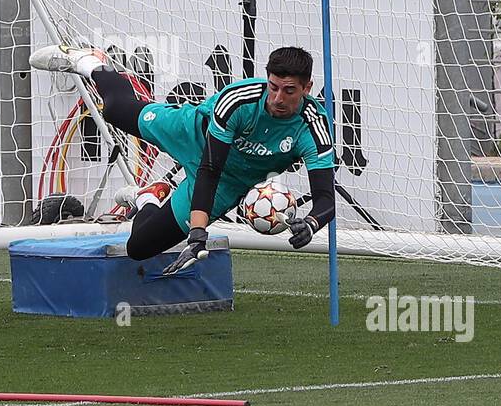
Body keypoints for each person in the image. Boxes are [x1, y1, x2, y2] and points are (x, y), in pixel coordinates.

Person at [30, 43, 336, 275]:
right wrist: (198, 234)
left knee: (139, 247)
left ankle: (147, 198)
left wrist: (310, 223)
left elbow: (326, 199)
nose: (278, 98)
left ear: (307, 88)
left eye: (289, 91)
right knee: (117, 110)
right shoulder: (239, 101)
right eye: (273, 87)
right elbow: (209, 167)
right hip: (192, 135)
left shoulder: (313, 128)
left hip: (229, 184)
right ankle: (91, 63)